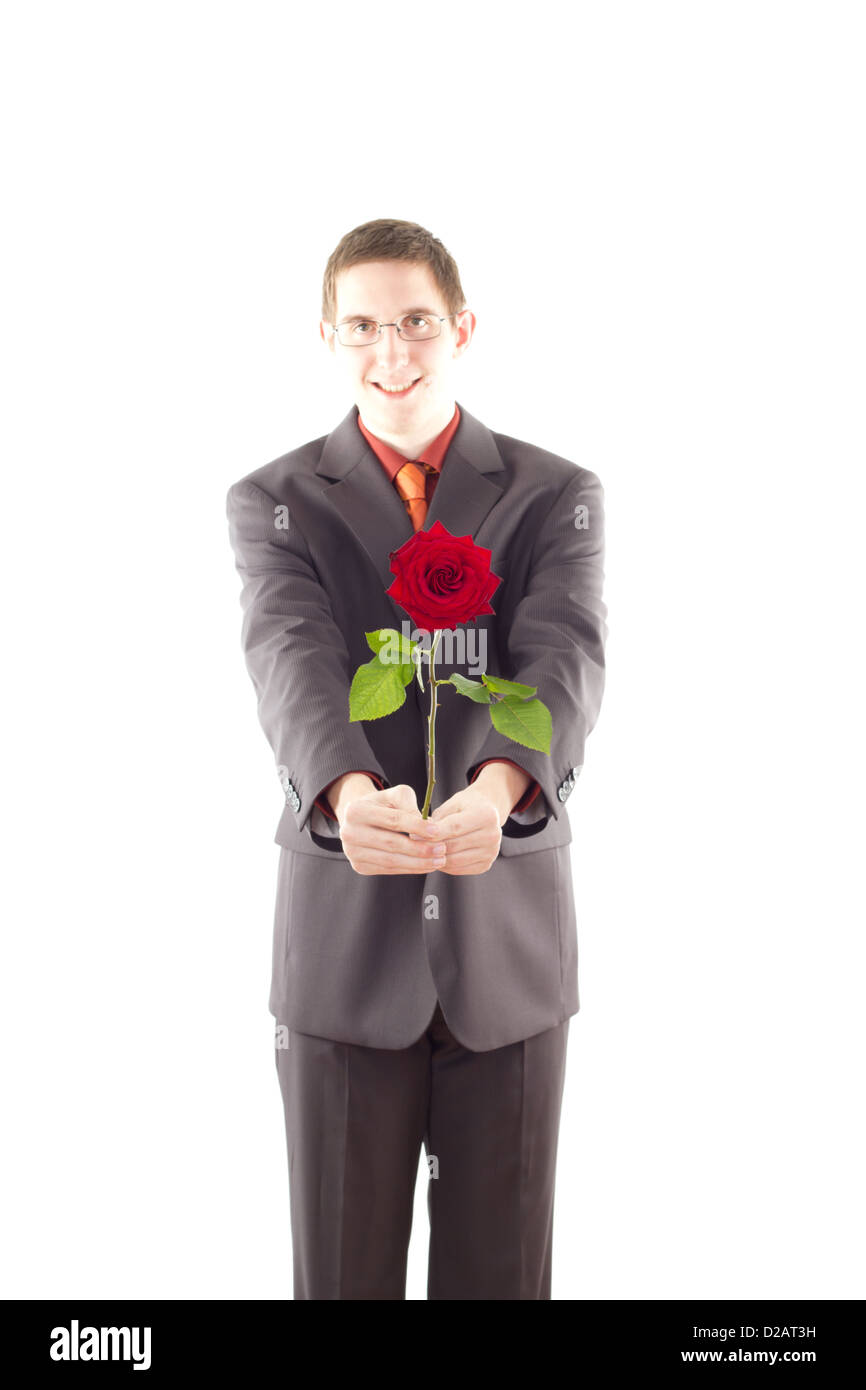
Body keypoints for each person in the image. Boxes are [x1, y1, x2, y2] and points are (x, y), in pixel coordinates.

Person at [226, 218, 608, 1299]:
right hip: (343, 945)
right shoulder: (274, 500)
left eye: (415, 323)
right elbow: (290, 657)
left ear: (462, 329)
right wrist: (345, 793)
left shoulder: (553, 491)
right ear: (327, 337)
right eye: (361, 326)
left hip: (508, 943)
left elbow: (564, 654)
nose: (389, 352)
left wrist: (503, 788)